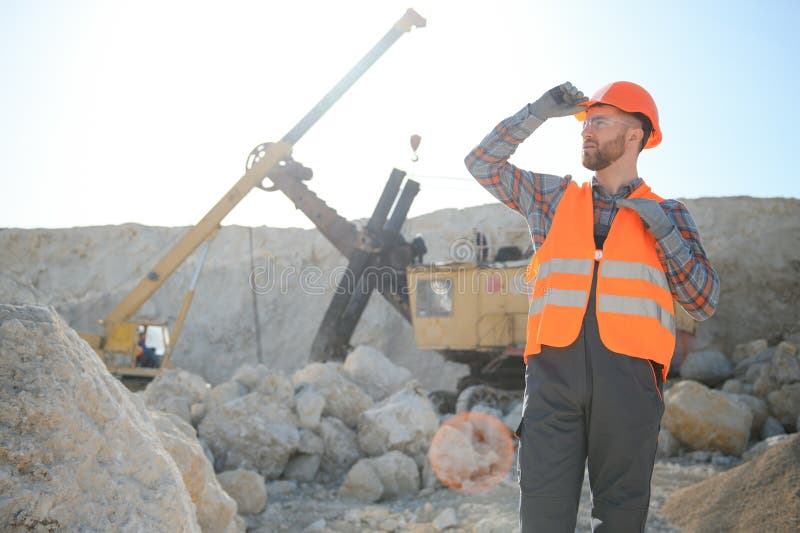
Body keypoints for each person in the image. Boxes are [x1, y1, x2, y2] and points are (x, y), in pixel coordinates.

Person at [465, 81, 719, 532]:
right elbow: (481, 163)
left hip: (630, 393)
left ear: (634, 136)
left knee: (621, 521)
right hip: (551, 386)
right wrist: (537, 113)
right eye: (585, 123)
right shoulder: (554, 199)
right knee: (542, 520)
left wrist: (664, 233)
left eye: (599, 122)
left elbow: (703, 301)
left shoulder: (671, 213)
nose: (586, 132)